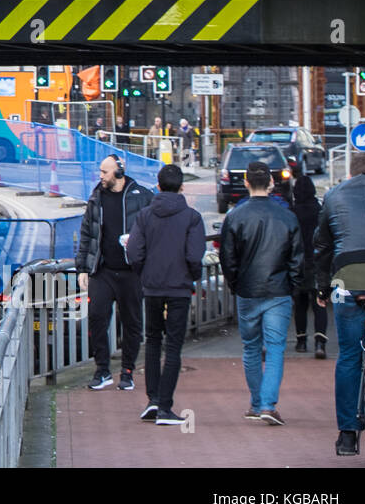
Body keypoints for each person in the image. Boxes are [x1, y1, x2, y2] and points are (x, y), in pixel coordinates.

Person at [314, 150, 365, 456]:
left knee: (348, 356)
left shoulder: (333, 196)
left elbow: (322, 246)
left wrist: (321, 288)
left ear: (352, 172)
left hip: (346, 283)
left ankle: (347, 434)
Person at [220, 160, 303, 426]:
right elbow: (297, 259)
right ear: (270, 183)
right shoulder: (287, 216)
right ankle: (268, 404)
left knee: (251, 348)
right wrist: (293, 286)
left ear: (246, 183)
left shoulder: (235, 216)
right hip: (278, 290)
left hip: (247, 290)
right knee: (276, 348)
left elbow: (228, 258)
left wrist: (235, 284)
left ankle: (257, 404)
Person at [126, 164, 207, 425]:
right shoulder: (192, 217)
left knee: (152, 341)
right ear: (181, 186)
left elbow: (134, 253)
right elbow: (195, 256)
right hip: (179, 289)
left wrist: (145, 274)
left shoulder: (144, 216)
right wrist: (192, 276)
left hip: (152, 288)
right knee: (173, 346)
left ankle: (152, 399)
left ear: (158, 186)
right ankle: (164, 405)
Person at [76, 154, 155, 390]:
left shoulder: (141, 196)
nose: (100, 176)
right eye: (100, 171)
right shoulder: (96, 197)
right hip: (103, 269)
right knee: (97, 318)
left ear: (118, 173)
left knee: (132, 323)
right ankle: (102, 370)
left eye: (105, 172)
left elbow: (153, 231)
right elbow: (87, 234)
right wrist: (83, 268)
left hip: (132, 271)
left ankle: (128, 372)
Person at [290, 174, 327, 358]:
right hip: (317, 263)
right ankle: (320, 343)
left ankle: (301, 341)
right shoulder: (319, 210)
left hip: (298, 263)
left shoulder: (292, 212)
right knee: (320, 302)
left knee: (300, 304)